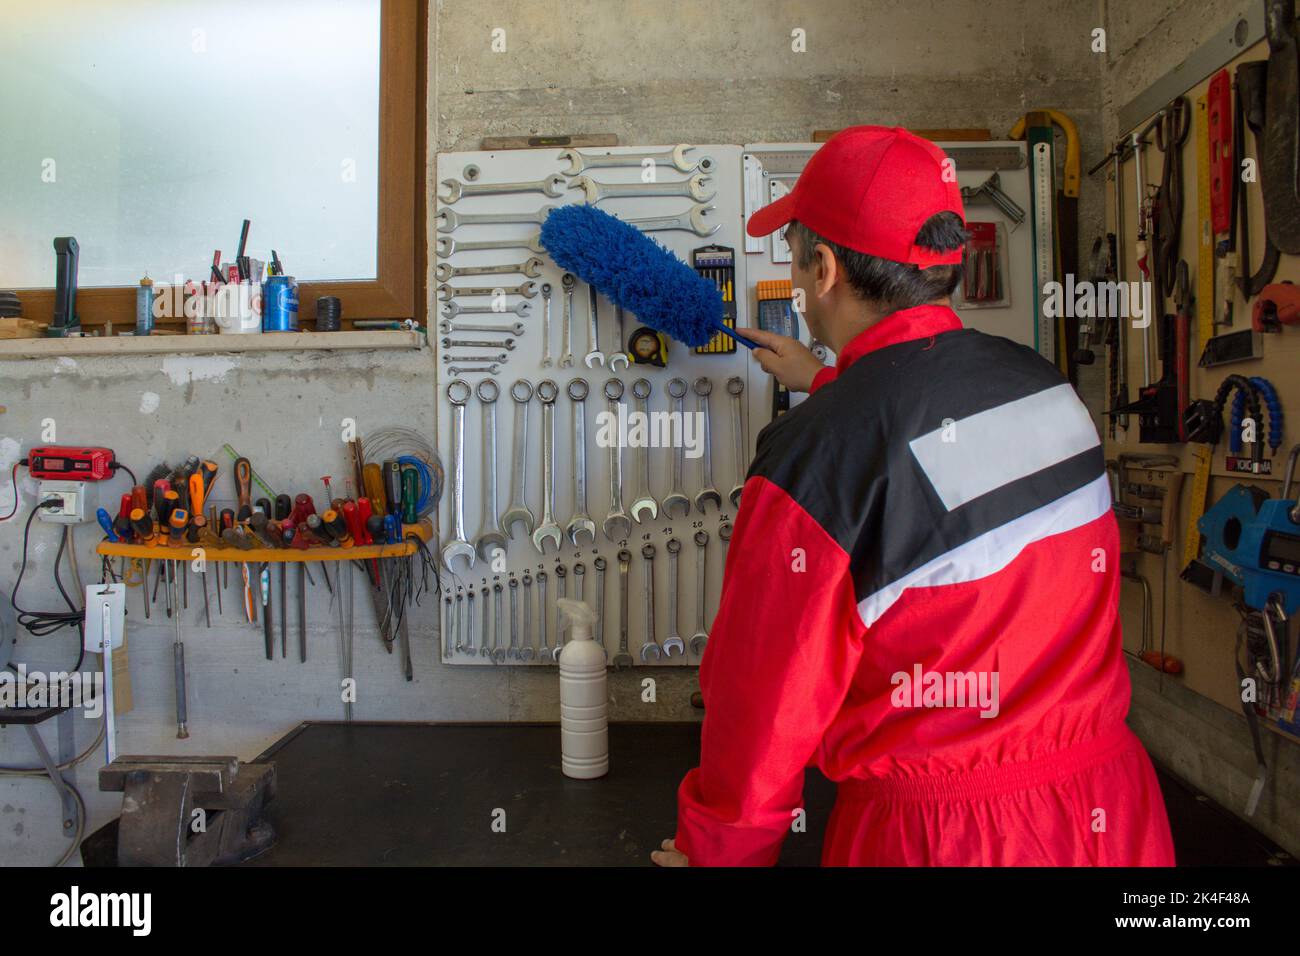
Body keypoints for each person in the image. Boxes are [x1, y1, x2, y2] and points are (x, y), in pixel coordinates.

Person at [653, 126, 1174, 867]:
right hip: (1110, 810)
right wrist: (833, 383)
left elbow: (763, 700)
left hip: (942, 839)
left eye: (797, 262)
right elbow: (935, 471)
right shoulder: (1044, 388)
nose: (797, 287)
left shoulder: (813, 460)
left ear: (825, 267)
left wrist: (719, 850)